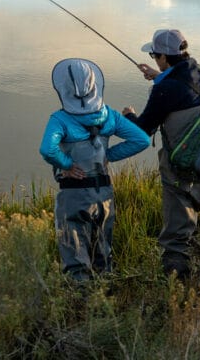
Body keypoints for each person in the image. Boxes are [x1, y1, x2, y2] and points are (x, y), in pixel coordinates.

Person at [40, 57, 150, 282]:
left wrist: (68, 165)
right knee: (103, 254)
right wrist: (108, 155)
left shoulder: (60, 119)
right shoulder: (109, 115)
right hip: (104, 195)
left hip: (74, 194)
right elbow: (141, 140)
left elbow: (47, 150)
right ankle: (105, 301)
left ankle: (81, 308)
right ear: (94, 85)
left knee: (75, 255)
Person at [124, 28, 200, 278]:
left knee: (176, 234)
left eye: (155, 55)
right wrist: (160, 77)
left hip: (182, 166)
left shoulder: (165, 91)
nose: (155, 59)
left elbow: (143, 130)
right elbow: (186, 93)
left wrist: (128, 116)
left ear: (165, 57)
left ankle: (176, 290)